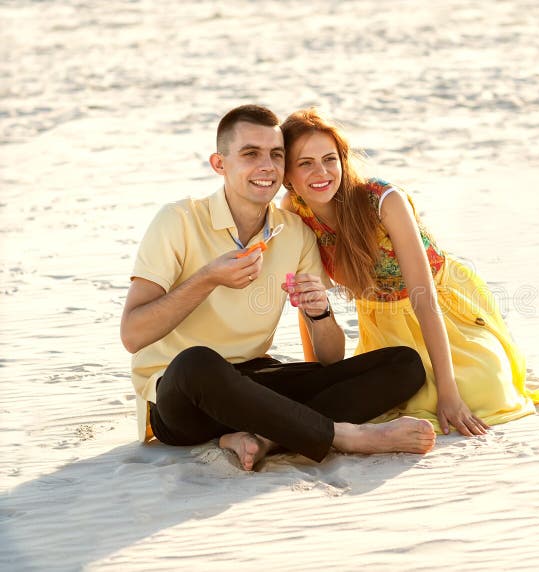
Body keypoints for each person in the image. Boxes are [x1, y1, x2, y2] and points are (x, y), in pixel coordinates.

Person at [120, 104, 436, 471]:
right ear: (219, 164)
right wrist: (207, 278)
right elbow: (132, 335)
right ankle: (342, 436)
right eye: (250, 154)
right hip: (180, 397)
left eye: (276, 155)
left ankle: (264, 436)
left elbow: (330, 360)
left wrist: (320, 313)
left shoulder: (294, 233)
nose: (266, 166)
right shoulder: (177, 220)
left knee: (403, 364)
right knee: (196, 362)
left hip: (256, 380)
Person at [279, 108, 539, 437]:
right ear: (287, 177)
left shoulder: (383, 201)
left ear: (342, 160)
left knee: (483, 390)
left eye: (329, 159)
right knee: (396, 396)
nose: (321, 171)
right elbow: (308, 300)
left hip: (444, 310)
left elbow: (424, 300)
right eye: (305, 163)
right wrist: (317, 374)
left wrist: (450, 393)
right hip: (382, 325)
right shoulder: (293, 212)